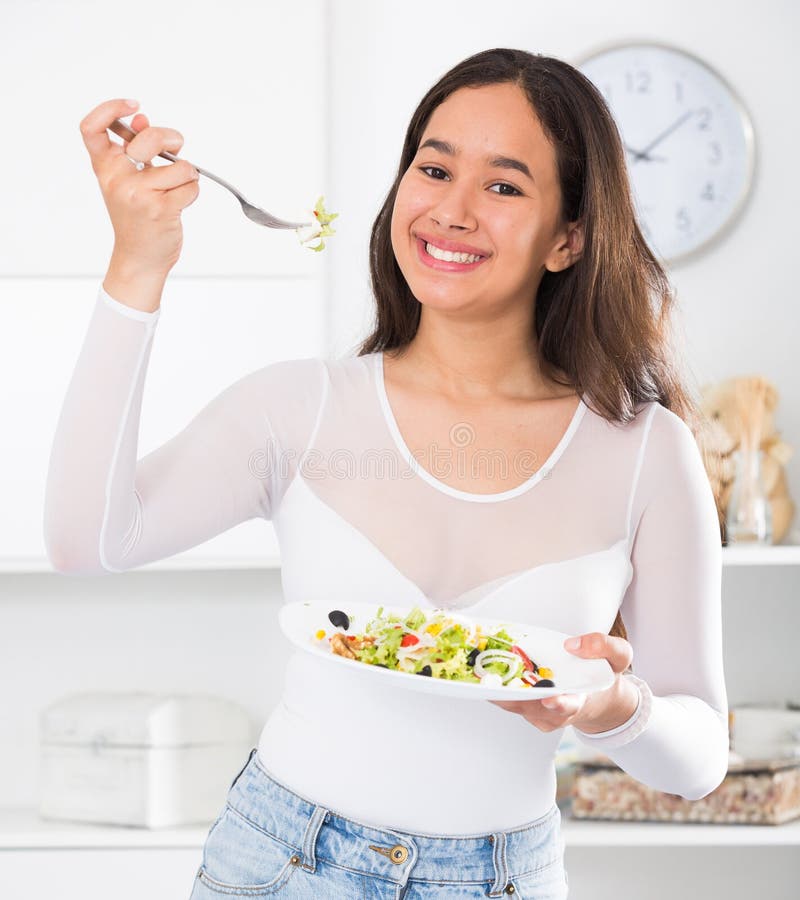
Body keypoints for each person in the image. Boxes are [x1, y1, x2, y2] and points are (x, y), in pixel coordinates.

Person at [45, 47, 729, 899]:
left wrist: (611, 706)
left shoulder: (646, 451)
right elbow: (86, 541)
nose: (451, 210)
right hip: (280, 865)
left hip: (502, 880)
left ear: (569, 238)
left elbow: (700, 761)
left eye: (504, 185)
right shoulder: (299, 408)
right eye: (434, 169)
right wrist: (138, 266)